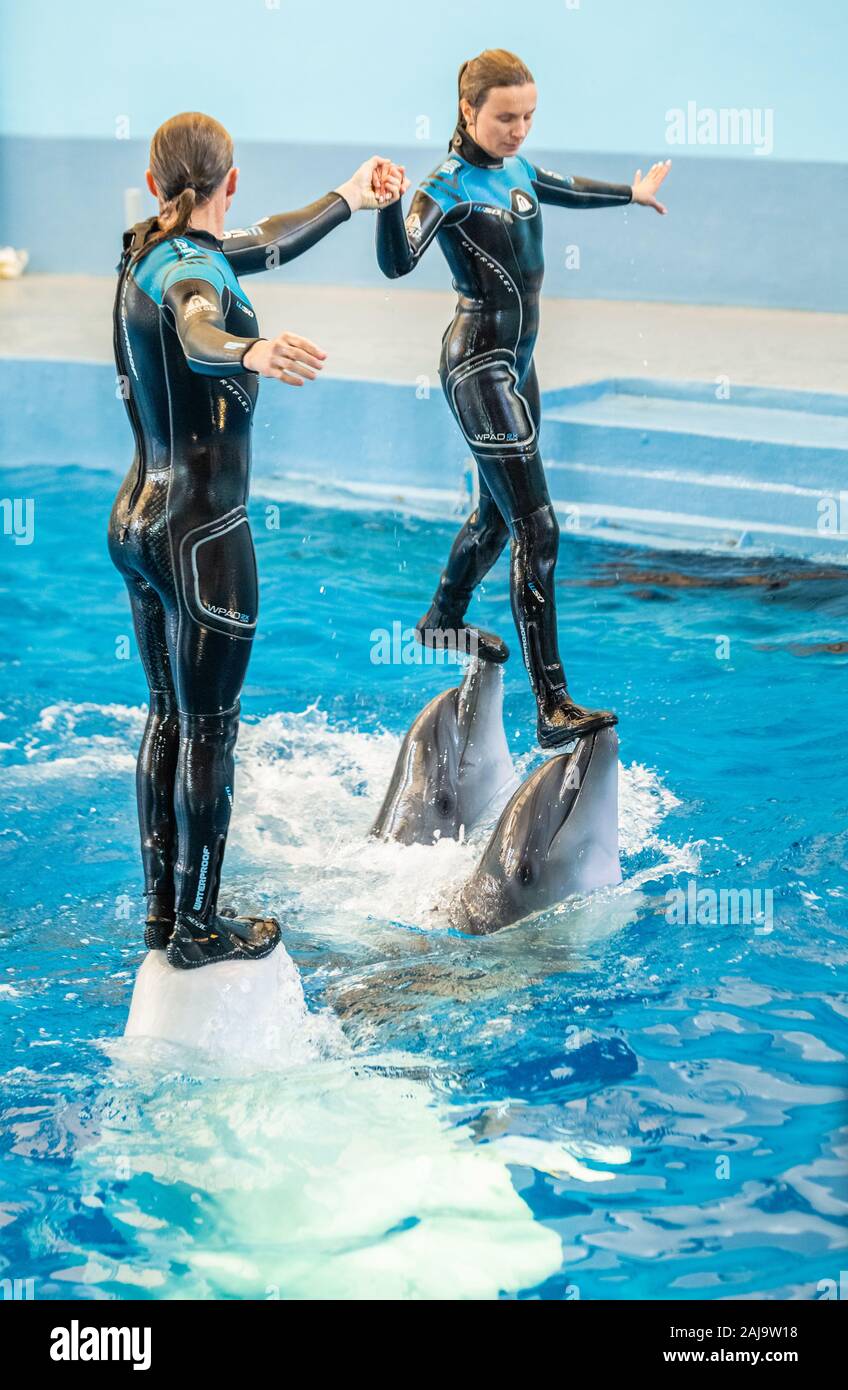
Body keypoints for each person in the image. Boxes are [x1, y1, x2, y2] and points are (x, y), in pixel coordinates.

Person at [109, 111, 402, 968]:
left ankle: (166, 915)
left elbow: (266, 242)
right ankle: (199, 928)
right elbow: (200, 330)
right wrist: (252, 350)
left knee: (168, 716)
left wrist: (349, 197)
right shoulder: (193, 275)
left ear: (158, 182)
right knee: (210, 732)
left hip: (138, 521)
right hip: (203, 535)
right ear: (227, 182)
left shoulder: (152, 251)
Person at [375, 50, 670, 748]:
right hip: (478, 364)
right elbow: (397, 260)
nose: (519, 129)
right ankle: (552, 705)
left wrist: (630, 193)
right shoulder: (444, 187)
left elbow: (562, 187)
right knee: (539, 527)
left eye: (529, 116)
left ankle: (440, 620)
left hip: (519, 363)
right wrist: (389, 207)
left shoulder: (517, 169)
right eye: (506, 117)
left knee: (496, 519)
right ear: (467, 111)